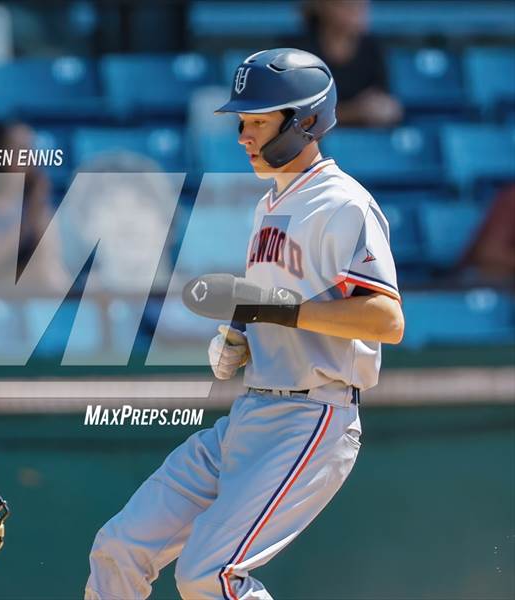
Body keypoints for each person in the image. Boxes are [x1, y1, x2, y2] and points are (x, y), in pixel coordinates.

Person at [85, 48, 405, 599]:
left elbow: (386, 318)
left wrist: (276, 312)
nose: (244, 136)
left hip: (312, 416)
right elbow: (278, 305)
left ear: (305, 121)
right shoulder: (269, 204)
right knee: (121, 546)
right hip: (253, 408)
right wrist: (242, 335)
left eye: (258, 121)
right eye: (242, 122)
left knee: (209, 575)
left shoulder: (343, 202)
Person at [0, 121, 69, 293]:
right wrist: (29, 221)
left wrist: (38, 208)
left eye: (31, 149)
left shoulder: (34, 203)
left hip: (30, 291)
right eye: (19, 149)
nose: (29, 157)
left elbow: (49, 257)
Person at [288, 0, 402, 126]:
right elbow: (298, 114)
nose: (357, 12)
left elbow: (384, 100)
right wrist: (354, 112)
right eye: (348, 6)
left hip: (365, 133)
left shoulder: (372, 48)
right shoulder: (299, 52)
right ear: (324, 7)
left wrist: (386, 109)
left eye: (362, 6)